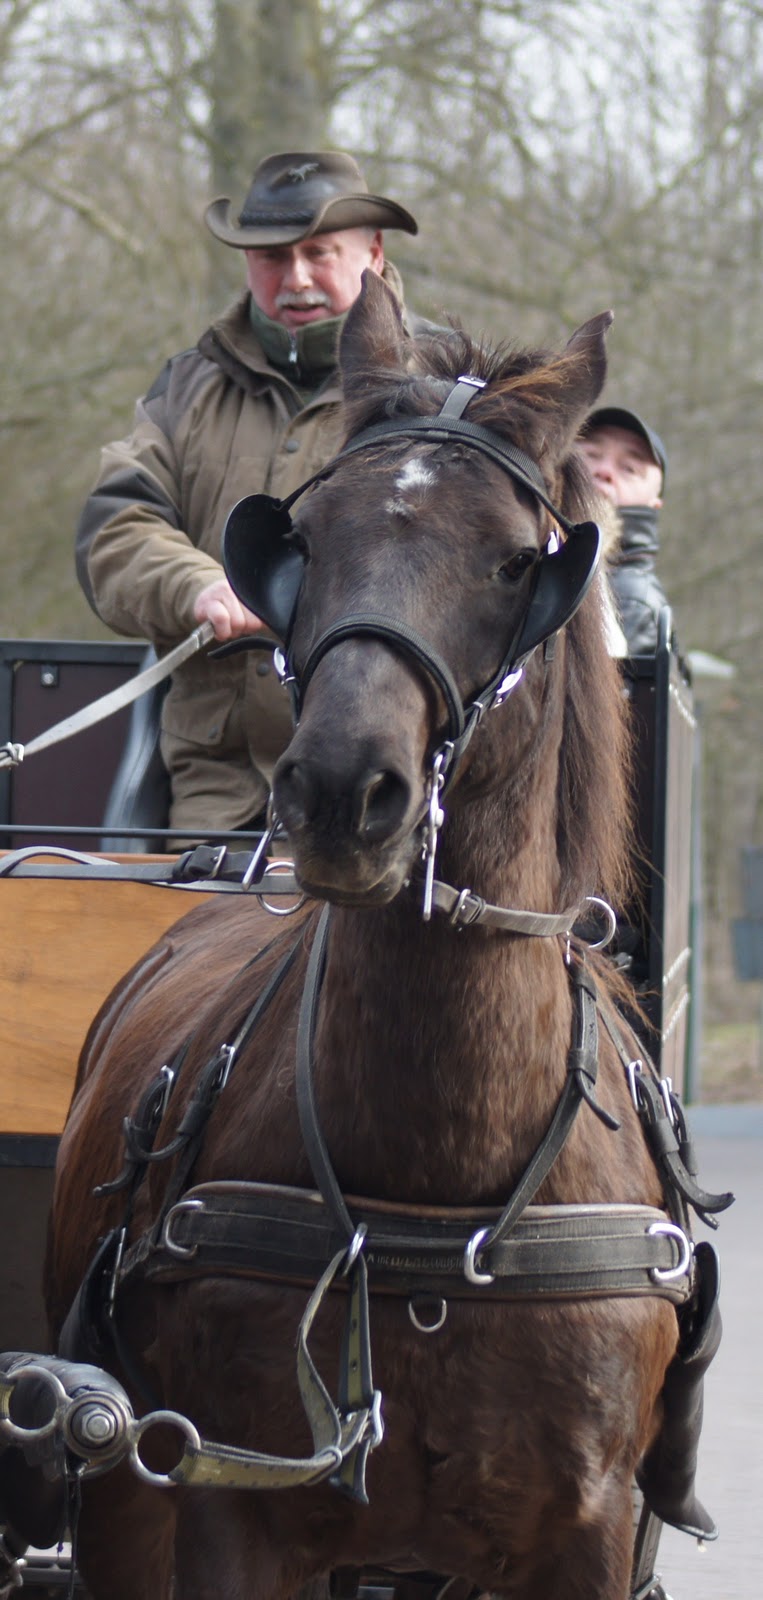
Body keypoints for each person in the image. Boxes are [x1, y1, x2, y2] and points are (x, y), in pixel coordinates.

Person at [75, 151, 427, 835]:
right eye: (271, 258)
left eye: (318, 253)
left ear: (374, 252)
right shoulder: (185, 388)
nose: (295, 279)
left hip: (379, 802)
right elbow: (114, 528)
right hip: (214, 798)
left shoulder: (440, 397)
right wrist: (196, 585)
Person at [579, 406, 670, 655]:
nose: (605, 471)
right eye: (592, 453)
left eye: (629, 469)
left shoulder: (632, 601)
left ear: (654, 505)